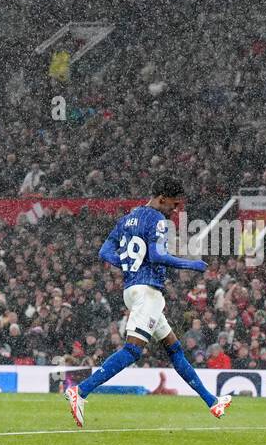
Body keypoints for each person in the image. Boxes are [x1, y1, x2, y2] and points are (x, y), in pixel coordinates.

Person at [65, 175, 231, 427]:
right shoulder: (158, 220)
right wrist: (191, 264)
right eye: (174, 205)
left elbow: (105, 251)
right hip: (148, 292)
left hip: (133, 289)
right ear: (162, 199)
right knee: (132, 351)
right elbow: (156, 255)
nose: (175, 211)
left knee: (174, 349)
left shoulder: (128, 218)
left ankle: (212, 402)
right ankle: (81, 391)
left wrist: (129, 265)